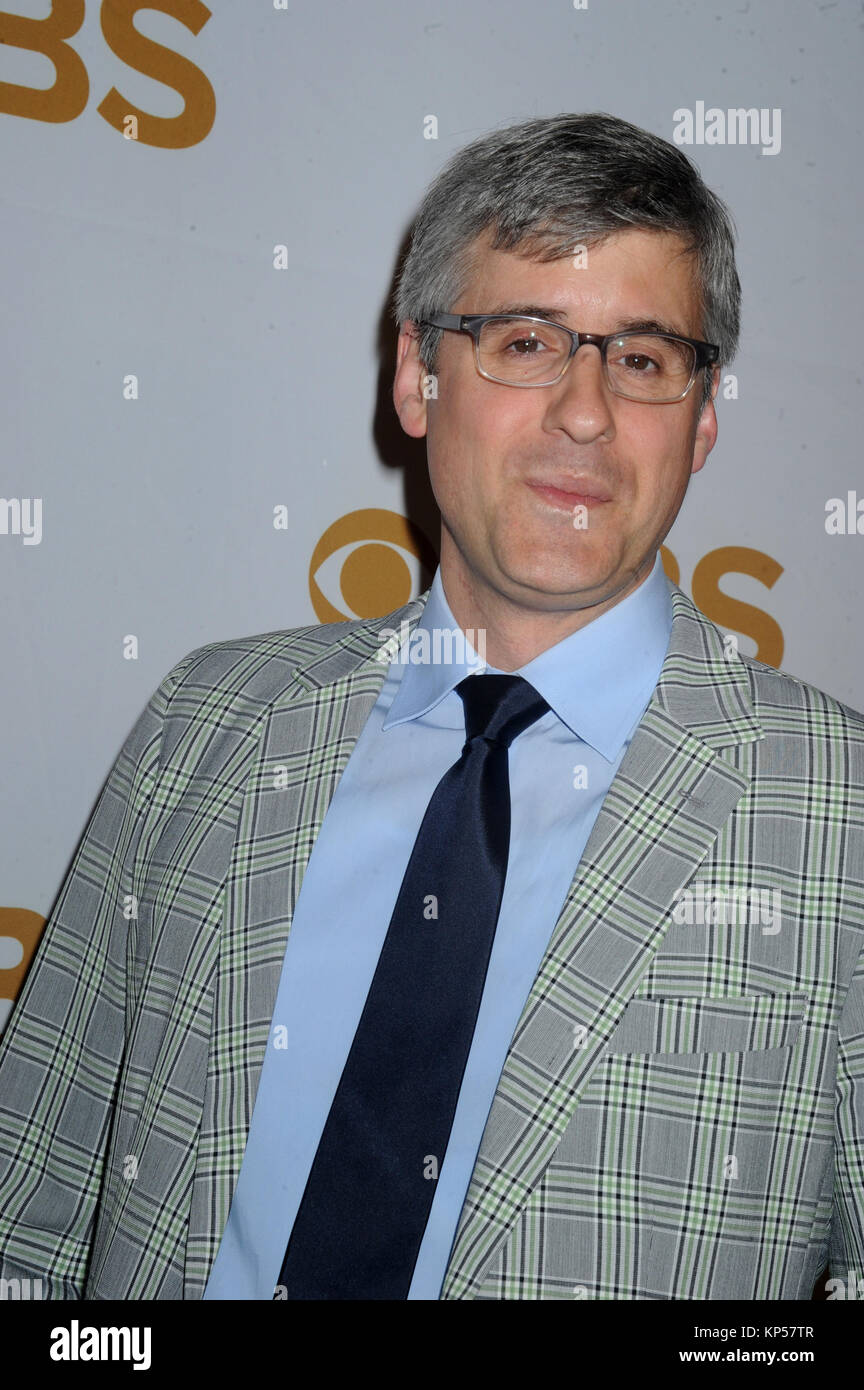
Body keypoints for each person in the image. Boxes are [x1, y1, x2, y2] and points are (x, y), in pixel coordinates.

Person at [0, 112, 862, 1302]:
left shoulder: (842, 816)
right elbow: (30, 1201)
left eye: (645, 358)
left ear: (704, 416)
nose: (586, 412)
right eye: (525, 340)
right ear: (418, 375)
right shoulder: (207, 726)